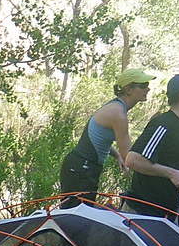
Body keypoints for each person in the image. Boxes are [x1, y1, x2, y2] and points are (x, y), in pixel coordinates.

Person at [58, 68, 155, 207]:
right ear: (128, 90)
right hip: (81, 169)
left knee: (79, 218)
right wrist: (159, 170)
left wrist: (116, 156)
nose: (148, 89)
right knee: (75, 220)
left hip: (83, 167)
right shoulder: (117, 113)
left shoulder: (116, 106)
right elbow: (129, 156)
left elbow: (100, 138)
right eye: (143, 86)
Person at [123, 71, 179, 219]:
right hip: (142, 214)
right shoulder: (163, 124)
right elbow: (133, 160)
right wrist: (172, 173)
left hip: (167, 215)